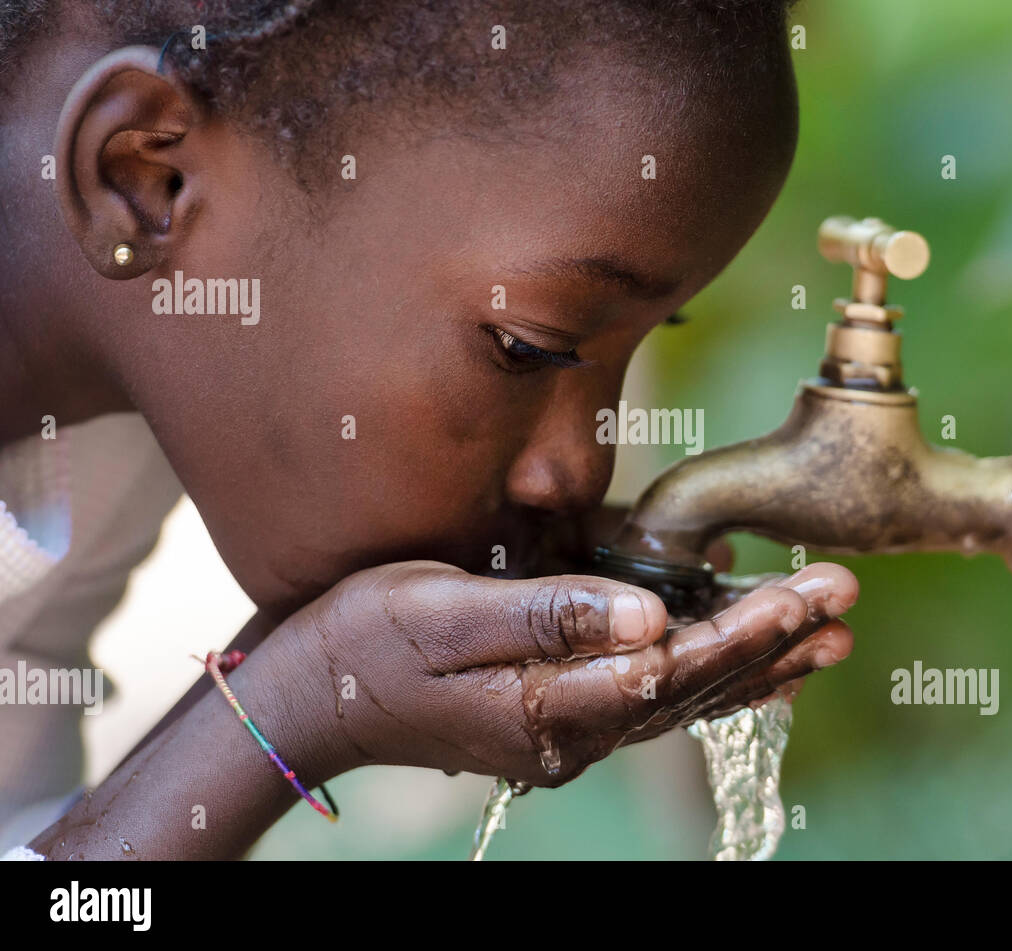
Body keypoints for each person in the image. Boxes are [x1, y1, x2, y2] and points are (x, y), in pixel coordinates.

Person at [0, 0, 857, 859]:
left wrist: (299, 674)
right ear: (144, 178)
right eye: (529, 348)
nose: (578, 471)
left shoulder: (99, 433)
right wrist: (289, 708)